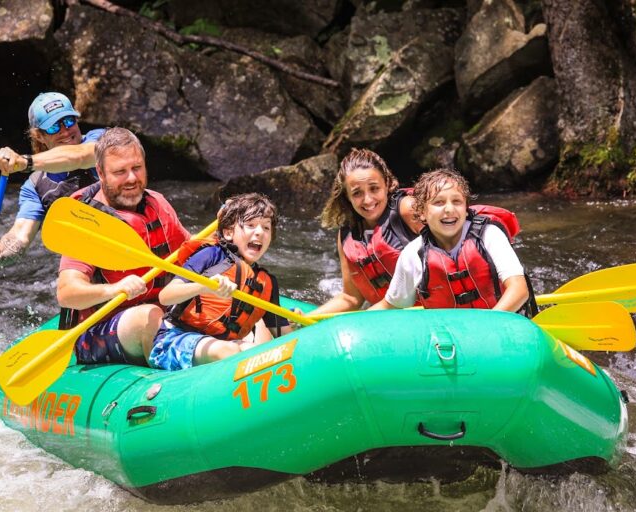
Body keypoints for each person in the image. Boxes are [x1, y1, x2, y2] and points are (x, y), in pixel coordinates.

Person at [57, 127, 190, 365]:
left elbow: (192, 254)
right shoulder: (87, 222)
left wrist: (228, 240)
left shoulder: (157, 203)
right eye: (120, 172)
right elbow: (66, 293)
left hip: (165, 313)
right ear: (100, 172)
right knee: (147, 317)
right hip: (100, 333)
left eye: (136, 168)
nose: (131, 178)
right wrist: (115, 289)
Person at [149, 192, 292, 371]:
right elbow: (166, 297)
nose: (259, 232)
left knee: (260, 354)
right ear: (228, 232)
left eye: (266, 228)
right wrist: (205, 286)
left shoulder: (267, 283)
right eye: (250, 225)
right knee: (228, 349)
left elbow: (286, 338)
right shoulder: (212, 255)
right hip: (174, 341)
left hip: (224, 344)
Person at [369, 168, 530, 312]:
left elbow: (519, 290)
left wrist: (486, 329)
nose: (449, 209)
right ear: (422, 212)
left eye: (457, 201)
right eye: (438, 202)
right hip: (449, 341)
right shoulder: (413, 255)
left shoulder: (488, 235)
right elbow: (390, 305)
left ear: (466, 209)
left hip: (502, 328)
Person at [311, 148, 423, 315]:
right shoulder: (347, 236)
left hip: (429, 314)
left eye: (374, 188)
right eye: (357, 193)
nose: (368, 199)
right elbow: (351, 298)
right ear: (347, 197)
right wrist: (305, 319)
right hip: (385, 318)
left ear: (387, 184)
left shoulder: (408, 210)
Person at [0, 92, 105, 264]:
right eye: (54, 127)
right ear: (39, 136)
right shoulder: (34, 186)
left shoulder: (101, 139)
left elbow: (80, 157)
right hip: (87, 261)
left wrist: (24, 162)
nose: (65, 130)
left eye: (69, 121)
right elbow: (19, 236)